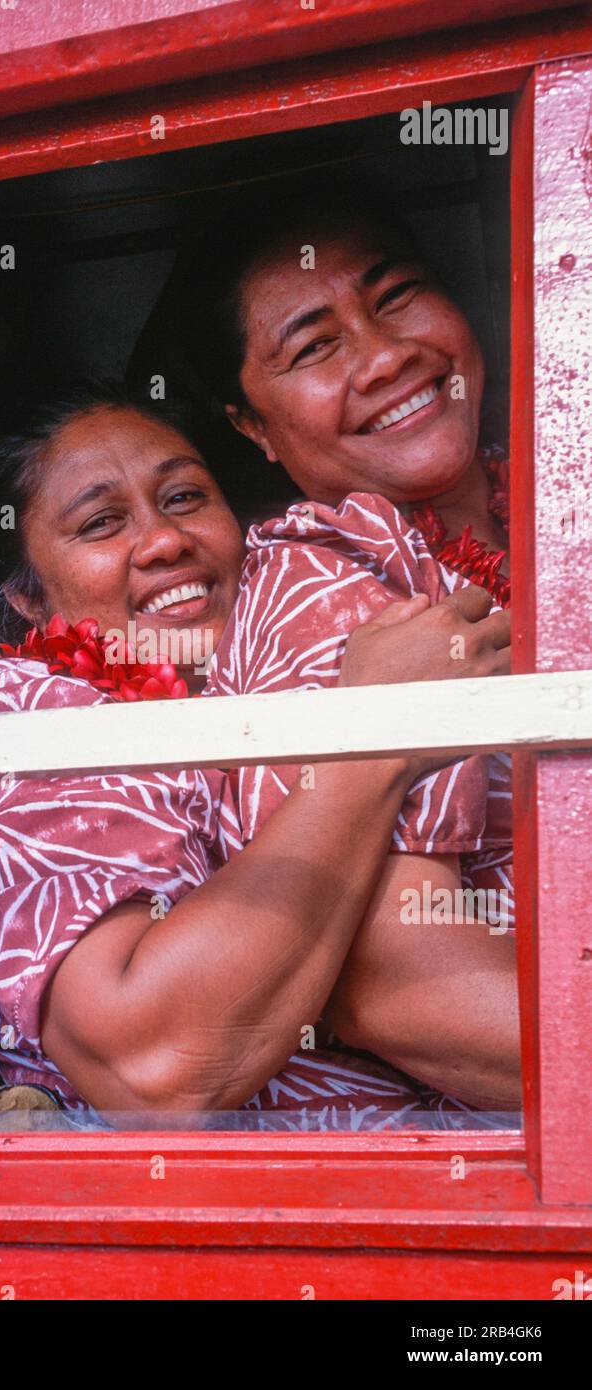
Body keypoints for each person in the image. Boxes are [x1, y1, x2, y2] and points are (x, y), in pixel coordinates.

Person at [0, 382, 519, 1128]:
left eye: (185, 498)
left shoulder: (285, 641)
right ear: (29, 598)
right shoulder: (3, 718)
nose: (164, 541)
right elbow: (156, 1069)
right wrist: (372, 736)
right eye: (100, 524)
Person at [181, 179, 515, 1079]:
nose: (383, 357)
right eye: (314, 347)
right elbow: (403, 984)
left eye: (397, 295)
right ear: (253, 427)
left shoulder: (547, 485)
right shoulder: (319, 578)